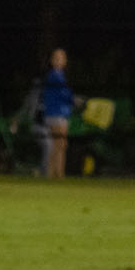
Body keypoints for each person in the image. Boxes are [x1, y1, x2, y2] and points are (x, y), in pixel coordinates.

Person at [40, 48, 76, 179]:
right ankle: (56, 174)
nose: (59, 60)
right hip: (57, 114)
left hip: (57, 113)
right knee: (59, 145)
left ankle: (55, 173)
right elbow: (65, 95)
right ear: (52, 61)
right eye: (56, 58)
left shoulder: (57, 76)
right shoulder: (55, 76)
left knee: (58, 145)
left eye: (61, 58)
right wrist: (75, 100)